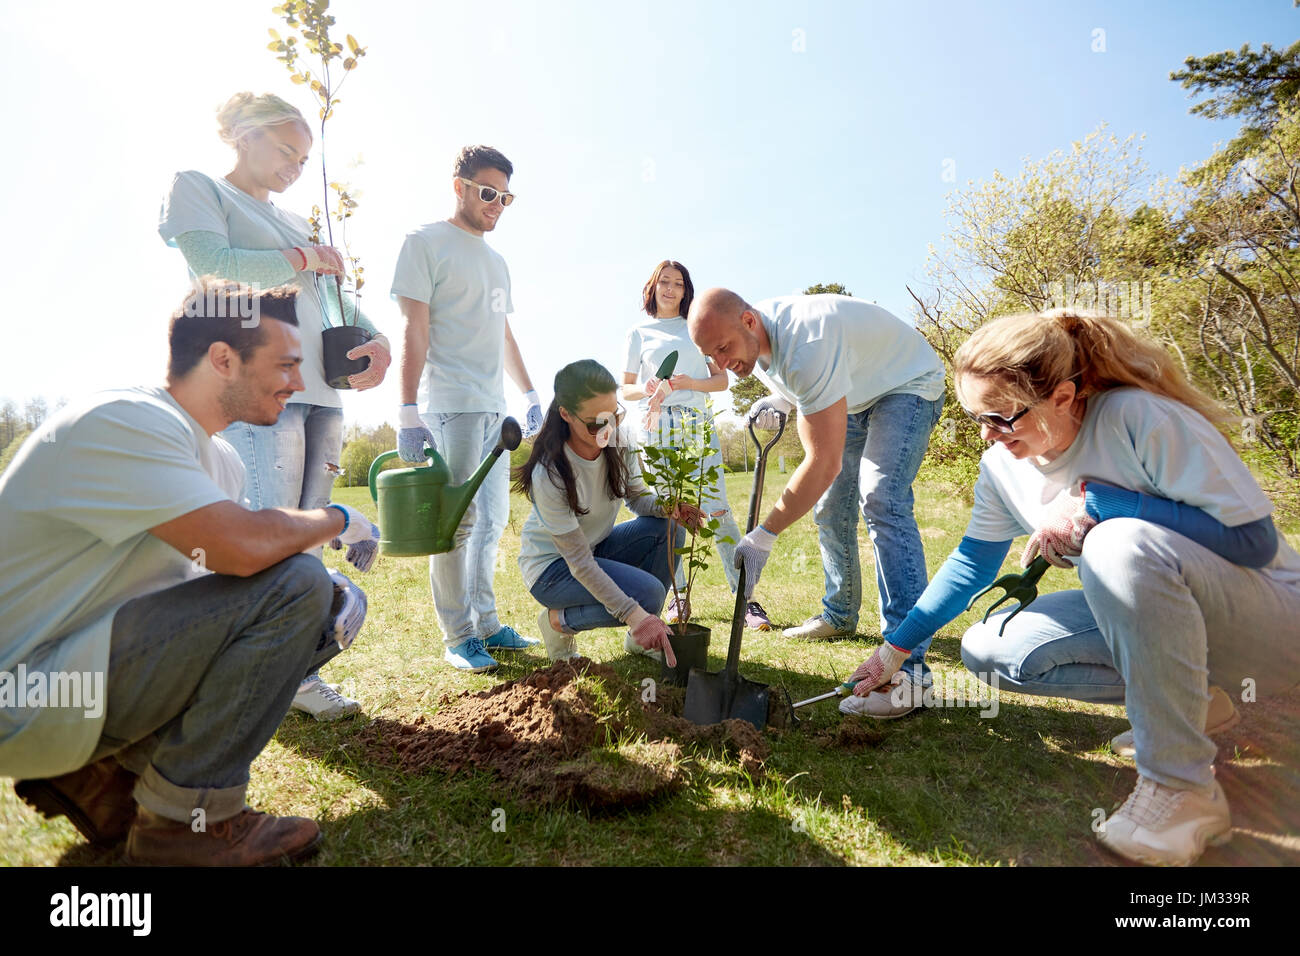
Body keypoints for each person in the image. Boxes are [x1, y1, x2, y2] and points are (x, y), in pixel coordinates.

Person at [840, 309, 1300, 866]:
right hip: (1183, 626)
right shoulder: (1003, 466)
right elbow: (971, 564)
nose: (988, 434)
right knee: (990, 650)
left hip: (1272, 623)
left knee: (1118, 544)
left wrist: (1097, 503)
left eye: (1001, 417)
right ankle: (1195, 704)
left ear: (1062, 395)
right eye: (975, 418)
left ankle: (1181, 789)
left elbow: (1252, 541)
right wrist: (895, 650)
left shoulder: (1139, 417)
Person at [0, 281, 380, 865]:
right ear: (223, 359)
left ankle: (100, 778)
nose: (300, 383)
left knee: (309, 596)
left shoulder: (216, 456)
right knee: (298, 587)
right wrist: (337, 517)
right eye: (286, 363)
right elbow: (244, 548)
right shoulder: (128, 419)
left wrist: (321, 598)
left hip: (74, 675)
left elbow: (217, 585)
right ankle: (185, 826)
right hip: (23, 692)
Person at [158, 91, 391, 720]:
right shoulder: (200, 187)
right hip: (261, 387)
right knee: (265, 526)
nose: (296, 164)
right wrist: (301, 258)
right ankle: (248, 675)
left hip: (321, 390)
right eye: (287, 149)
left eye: (304, 155)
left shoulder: (297, 225)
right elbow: (212, 267)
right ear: (241, 133)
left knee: (307, 533)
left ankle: (294, 668)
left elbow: (333, 300)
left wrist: (376, 337)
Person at [688, 287, 946, 713]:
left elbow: (822, 462)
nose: (721, 365)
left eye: (723, 349)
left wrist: (763, 536)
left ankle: (911, 672)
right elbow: (794, 375)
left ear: (749, 322)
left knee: (882, 498)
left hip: (908, 383)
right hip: (859, 390)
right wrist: (781, 398)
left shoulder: (806, 345)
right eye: (711, 357)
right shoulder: (759, 333)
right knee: (829, 506)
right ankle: (840, 614)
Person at [392, 145, 544, 673]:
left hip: (491, 408)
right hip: (450, 404)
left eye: (506, 196)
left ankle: (486, 622)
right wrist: (407, 409)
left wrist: (528, 394)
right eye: (487, 193)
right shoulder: (424, 243)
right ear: (458, 186)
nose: (497, 204)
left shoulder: (496, 262)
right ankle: (458, 636)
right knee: (458, 521)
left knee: (491, 520)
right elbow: (415, 328)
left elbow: (502, 333)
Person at [515, 360, 703, 664]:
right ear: (566, 414)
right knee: (649, 596)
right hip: (552, 569)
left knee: (669, 530)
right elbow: (578, 563)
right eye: (595, 423)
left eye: (614, 415)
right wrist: (634, 613)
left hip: (596, 547)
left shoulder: (619, 438)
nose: (608, 430)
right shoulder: (549, 473)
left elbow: (637, 497)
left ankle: (638, 641)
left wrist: (670, 508)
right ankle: (556, 622)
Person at [622, 261, 771, 629]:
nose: (671, 289)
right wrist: (653, 387)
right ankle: (677, 596)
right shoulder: (638, 332)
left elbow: (721, 381)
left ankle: (745, 600)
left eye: (678, 284)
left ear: (687, 290)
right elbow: (625, 388)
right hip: (655, 429)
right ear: (653, 288)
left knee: (718, 511)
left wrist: (687, 383)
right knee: (669, 512)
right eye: (664, 283)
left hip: (696, 425)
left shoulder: (696, 328)